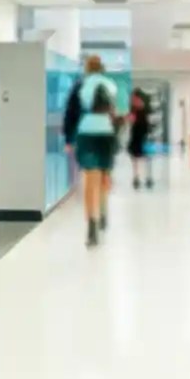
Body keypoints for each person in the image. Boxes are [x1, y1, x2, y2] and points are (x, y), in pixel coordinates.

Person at [70, 55, 118, 245]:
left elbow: (73, 111)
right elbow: (113, 111)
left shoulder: (82, 85)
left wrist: (69, 137)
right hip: (106, 132)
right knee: (104, 175)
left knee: (90, 179)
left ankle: (91, 224)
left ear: (87, 68)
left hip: (87, 131)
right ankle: (103, 210)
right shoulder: (111, 85)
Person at [127, 88, 154, 189]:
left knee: (147, 157)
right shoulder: (133, 109)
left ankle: (148, 177)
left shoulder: (147, 109)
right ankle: (136, 177)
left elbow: (149, 123)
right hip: (135, 135)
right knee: (135, 158)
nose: (132, 100)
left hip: (145, 135)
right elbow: (131, 121)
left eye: (134, 98)